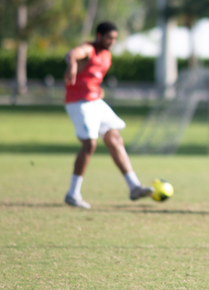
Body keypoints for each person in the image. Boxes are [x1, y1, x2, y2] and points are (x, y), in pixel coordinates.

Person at [63, 21, 154, 209]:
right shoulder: (89, 49)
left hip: (95, 101)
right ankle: (73, 194)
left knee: (114, 137)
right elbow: (71, 54)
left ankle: (134, 187)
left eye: (114, 38)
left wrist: (97, 90)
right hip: (79, 102)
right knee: (89, 144)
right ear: (99, 36)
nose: (112, 41)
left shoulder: (107, 56)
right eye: (109, 38)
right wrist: (72, 65)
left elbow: (91, 78)